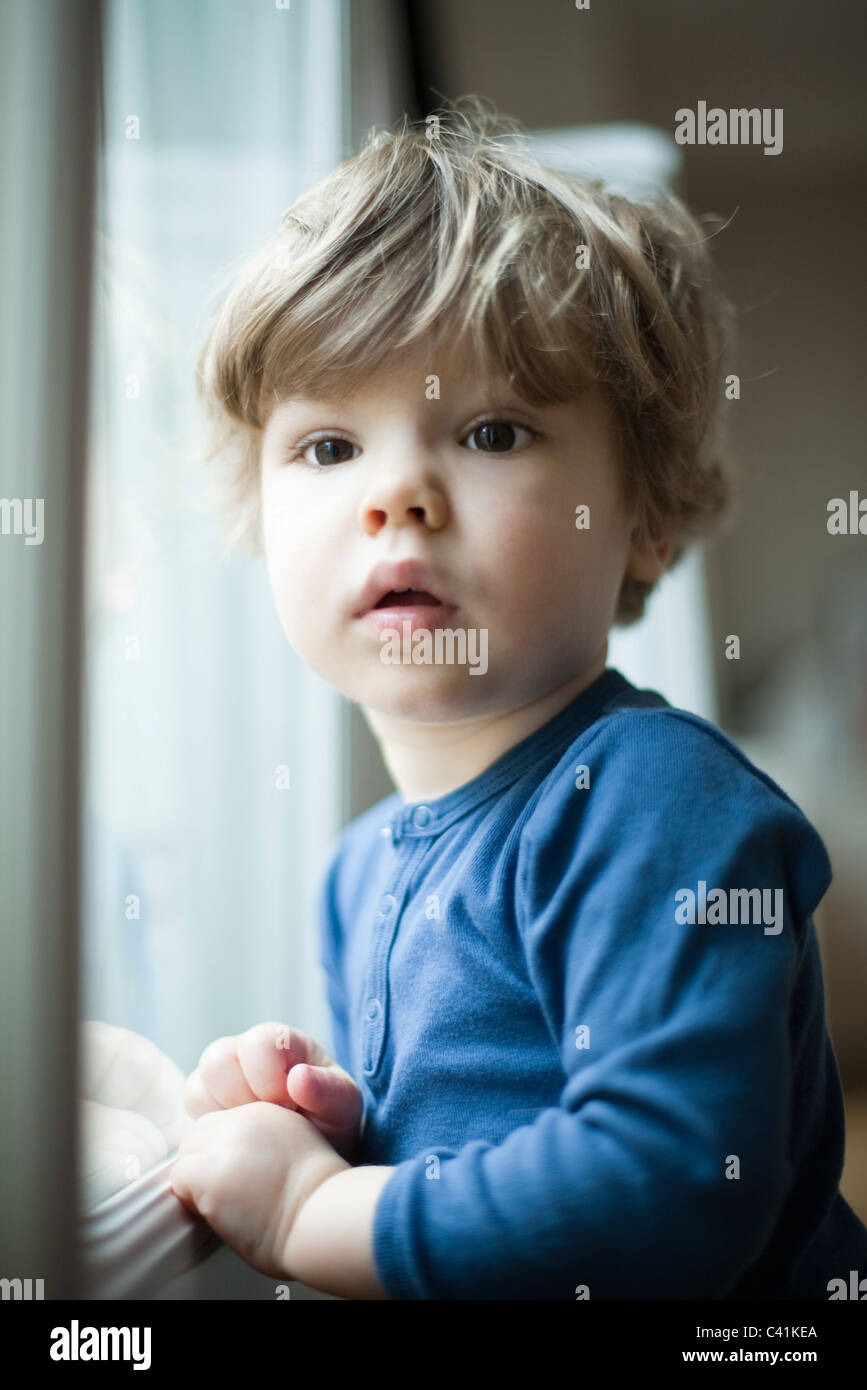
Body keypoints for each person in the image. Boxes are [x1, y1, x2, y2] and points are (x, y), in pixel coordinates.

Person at [169, 98, 867, 1300]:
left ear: (644, 517)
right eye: (330, 447)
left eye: (491, 431)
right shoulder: (360, 869)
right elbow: (485, 1162)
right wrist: (334, 1130)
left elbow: (673, 1186)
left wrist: (309, 1207)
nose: (398, 494)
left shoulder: (658, 804)